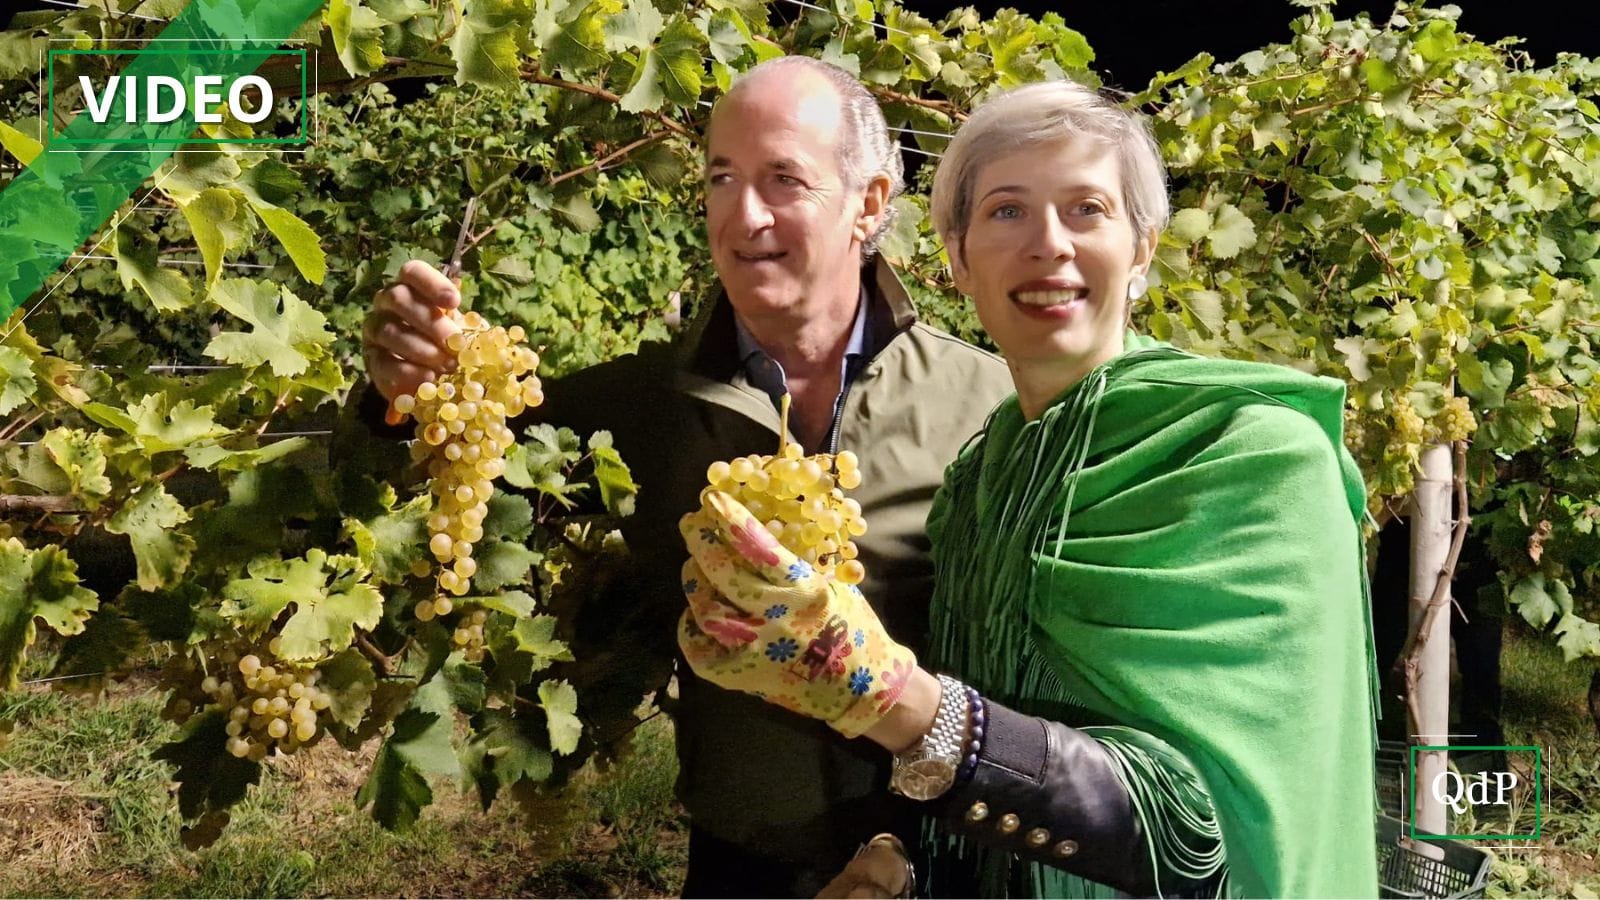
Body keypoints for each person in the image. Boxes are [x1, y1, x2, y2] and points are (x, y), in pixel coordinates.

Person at [678, 80, 1380, 898]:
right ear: (958, 258)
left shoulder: (1251, 456)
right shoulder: (982, 479)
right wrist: (904, 863)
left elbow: (1200, 829)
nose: (1049, 243)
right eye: (1007, 212)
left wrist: (890, 698)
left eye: (1087, 209)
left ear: (1143, 246)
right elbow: (994, 773)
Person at [360, 57, 1014, 896]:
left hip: (952, 865)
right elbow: (435, 484)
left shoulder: (992, 408)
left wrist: (909, 852)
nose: (744, 214)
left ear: (871, 204)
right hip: (742, 865)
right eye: (721, 177)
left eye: (784, 178)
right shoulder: (643, 405)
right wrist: (396, 388)